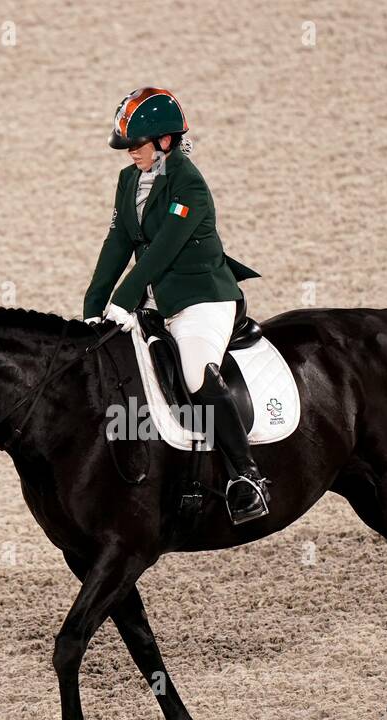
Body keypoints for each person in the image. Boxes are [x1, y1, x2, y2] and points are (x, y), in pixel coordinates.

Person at [83, 87, 269, 525]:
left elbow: (162, 250)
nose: (131, 154)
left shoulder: (188, 182)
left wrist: (124, 300)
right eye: (127, 147)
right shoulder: (129, 180)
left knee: (194, 371)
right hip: (155, 301)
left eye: (138, 145)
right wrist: (93, 304)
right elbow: (119, 242)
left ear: (165, 141)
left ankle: (248, 476)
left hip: (201, 299)